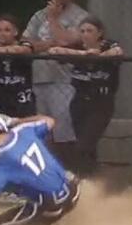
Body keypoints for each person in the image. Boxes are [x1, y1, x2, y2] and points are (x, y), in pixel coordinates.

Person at [24, 0, 87, 165]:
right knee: (42, 130)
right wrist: (49, 44)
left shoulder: (80, 16)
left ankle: (69, 171)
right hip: (40, 77)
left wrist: (53, 20)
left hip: (64, 79)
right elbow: (26, 42)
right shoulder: (39, 14)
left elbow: (66, 41)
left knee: (62, 130)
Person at [49, 16, 122, 177]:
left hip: (101, 102)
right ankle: (91, 182)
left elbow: (117, 52)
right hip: (79, 101)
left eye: (89, 31)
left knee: (84, 145)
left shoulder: (108, 45)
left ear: (99, 33)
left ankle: (82, 177)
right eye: (82, 31)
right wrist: (83, 54)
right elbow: (54, 50)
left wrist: (97, 56)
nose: (85, 34)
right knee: (88, 147)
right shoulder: (78, 47)